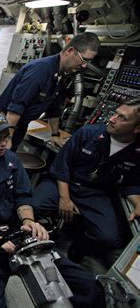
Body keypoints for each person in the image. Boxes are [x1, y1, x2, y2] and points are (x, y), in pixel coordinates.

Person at [0, 111, 106, 308]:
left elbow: (23, 197)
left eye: (6, 137)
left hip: (14, 232)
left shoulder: (11, 161)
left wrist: (28, 221)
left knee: (89, 286)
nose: (3, 144)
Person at [33, 99, 140, 262]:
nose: (112, 119)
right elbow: (61, 167)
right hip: (64, 183)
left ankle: (77, 249)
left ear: (137, 128)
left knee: (109, 238)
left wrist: (139, 203)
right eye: (115, 113)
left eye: (122, 118)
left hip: (95, 193)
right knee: (32, 207)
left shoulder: (137, 152)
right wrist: (65, 199)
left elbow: (130, 184)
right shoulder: (88, 133)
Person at [0, 32, 100, 151]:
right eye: (83, 59)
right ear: (70, 51)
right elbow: (16, 107)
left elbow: (53, 109)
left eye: (88, 62)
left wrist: (55, 135)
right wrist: (7, 137)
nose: (84, 66)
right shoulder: (40, 70)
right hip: (2, 123)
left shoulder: (61, 75)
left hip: (18, 125)